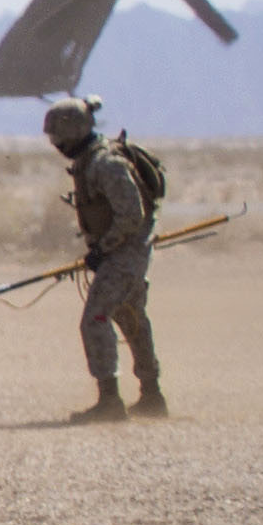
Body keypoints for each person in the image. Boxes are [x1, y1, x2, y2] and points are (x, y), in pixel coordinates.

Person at [45, 94, 167, 422]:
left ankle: (110, 401)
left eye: (59, 136)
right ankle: (153, 396)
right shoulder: (91, 162)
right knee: (131, 318)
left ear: (76, 131)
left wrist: (105, 248)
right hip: (124, 253)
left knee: (95, 318)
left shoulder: (106, 165)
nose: (56, 143)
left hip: (125, 255)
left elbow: (131, 215)